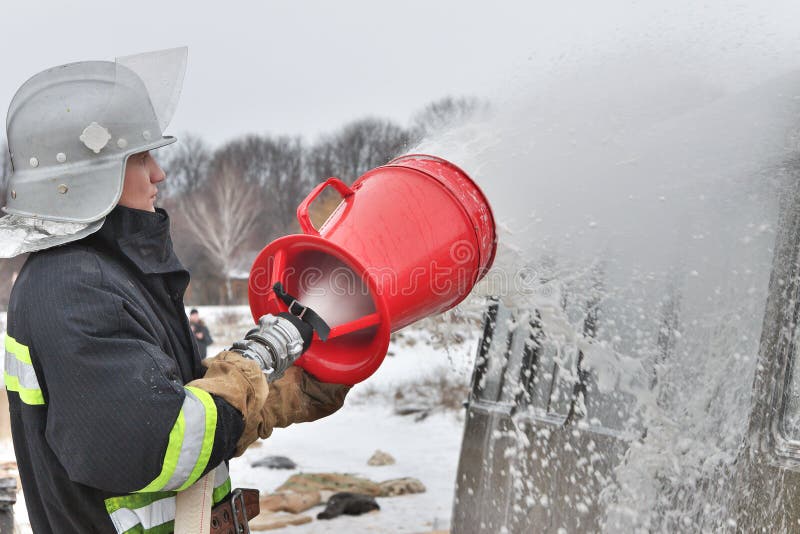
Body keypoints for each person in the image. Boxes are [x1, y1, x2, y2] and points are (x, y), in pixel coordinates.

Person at [1, 48, 349, 533]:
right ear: (83, 180)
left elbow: (168, 398)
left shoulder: (104, 274)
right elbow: (159, 444)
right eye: (141, 158)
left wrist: (284, 389)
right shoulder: (74, 288)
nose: (159, 175)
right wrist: (258, 359)